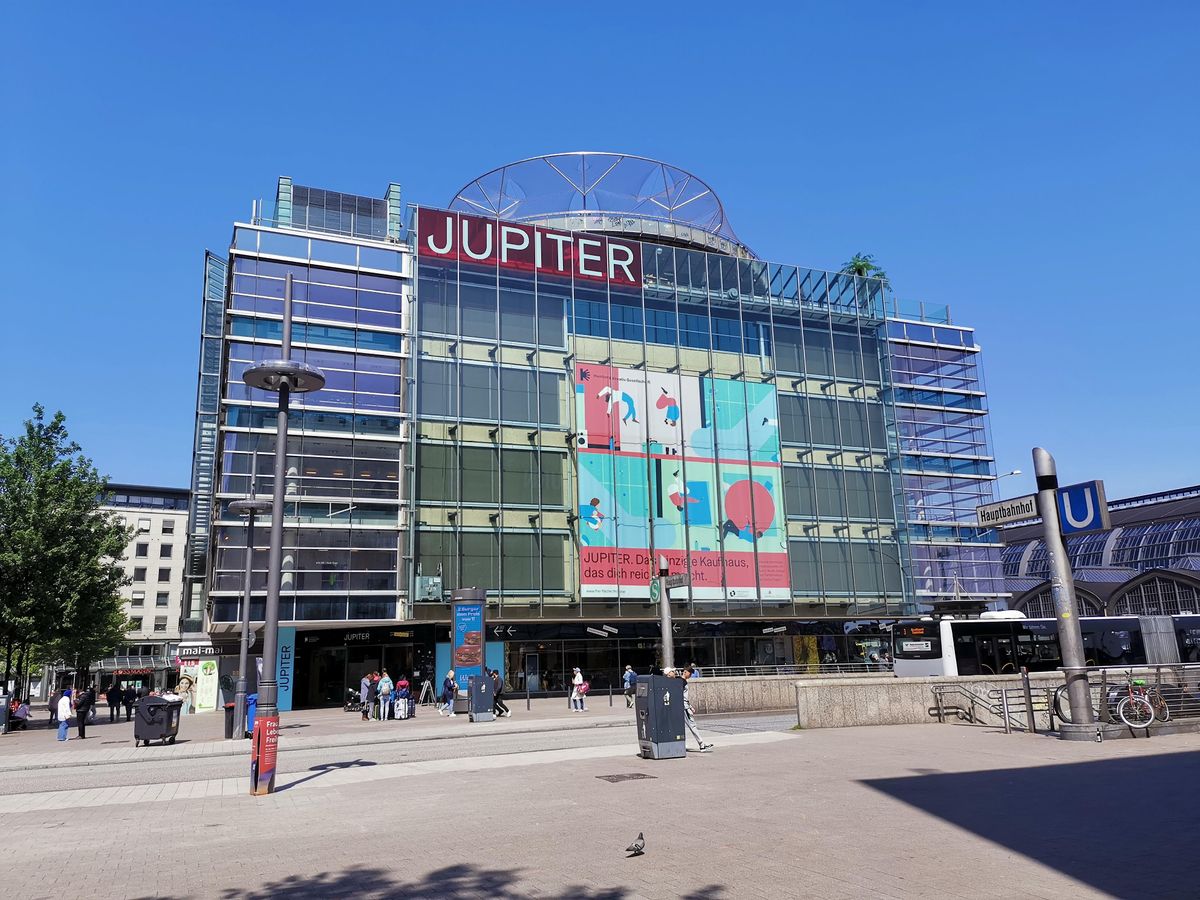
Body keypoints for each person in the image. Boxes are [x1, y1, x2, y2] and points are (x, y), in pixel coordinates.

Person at [679, 666, 713, 752]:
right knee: (692, 725)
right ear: (685, 672)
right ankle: (701, 744)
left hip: (683, 706)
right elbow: (682, 697)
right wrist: (688, 707)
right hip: (684, 707)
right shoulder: (682, 682)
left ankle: (682, 744)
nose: (691, 675)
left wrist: (690, 706)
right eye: (690, 673)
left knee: (681, 726)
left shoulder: (680, 680)